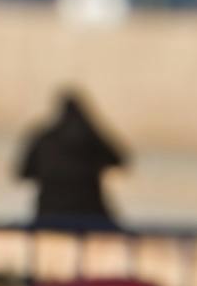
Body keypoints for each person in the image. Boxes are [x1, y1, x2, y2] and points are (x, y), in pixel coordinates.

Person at [16, 86, 128, 233]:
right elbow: (119, 159)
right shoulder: (91, 138)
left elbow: (23, 173)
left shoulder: (44, 138)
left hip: (49, 214)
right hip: (90, 214)